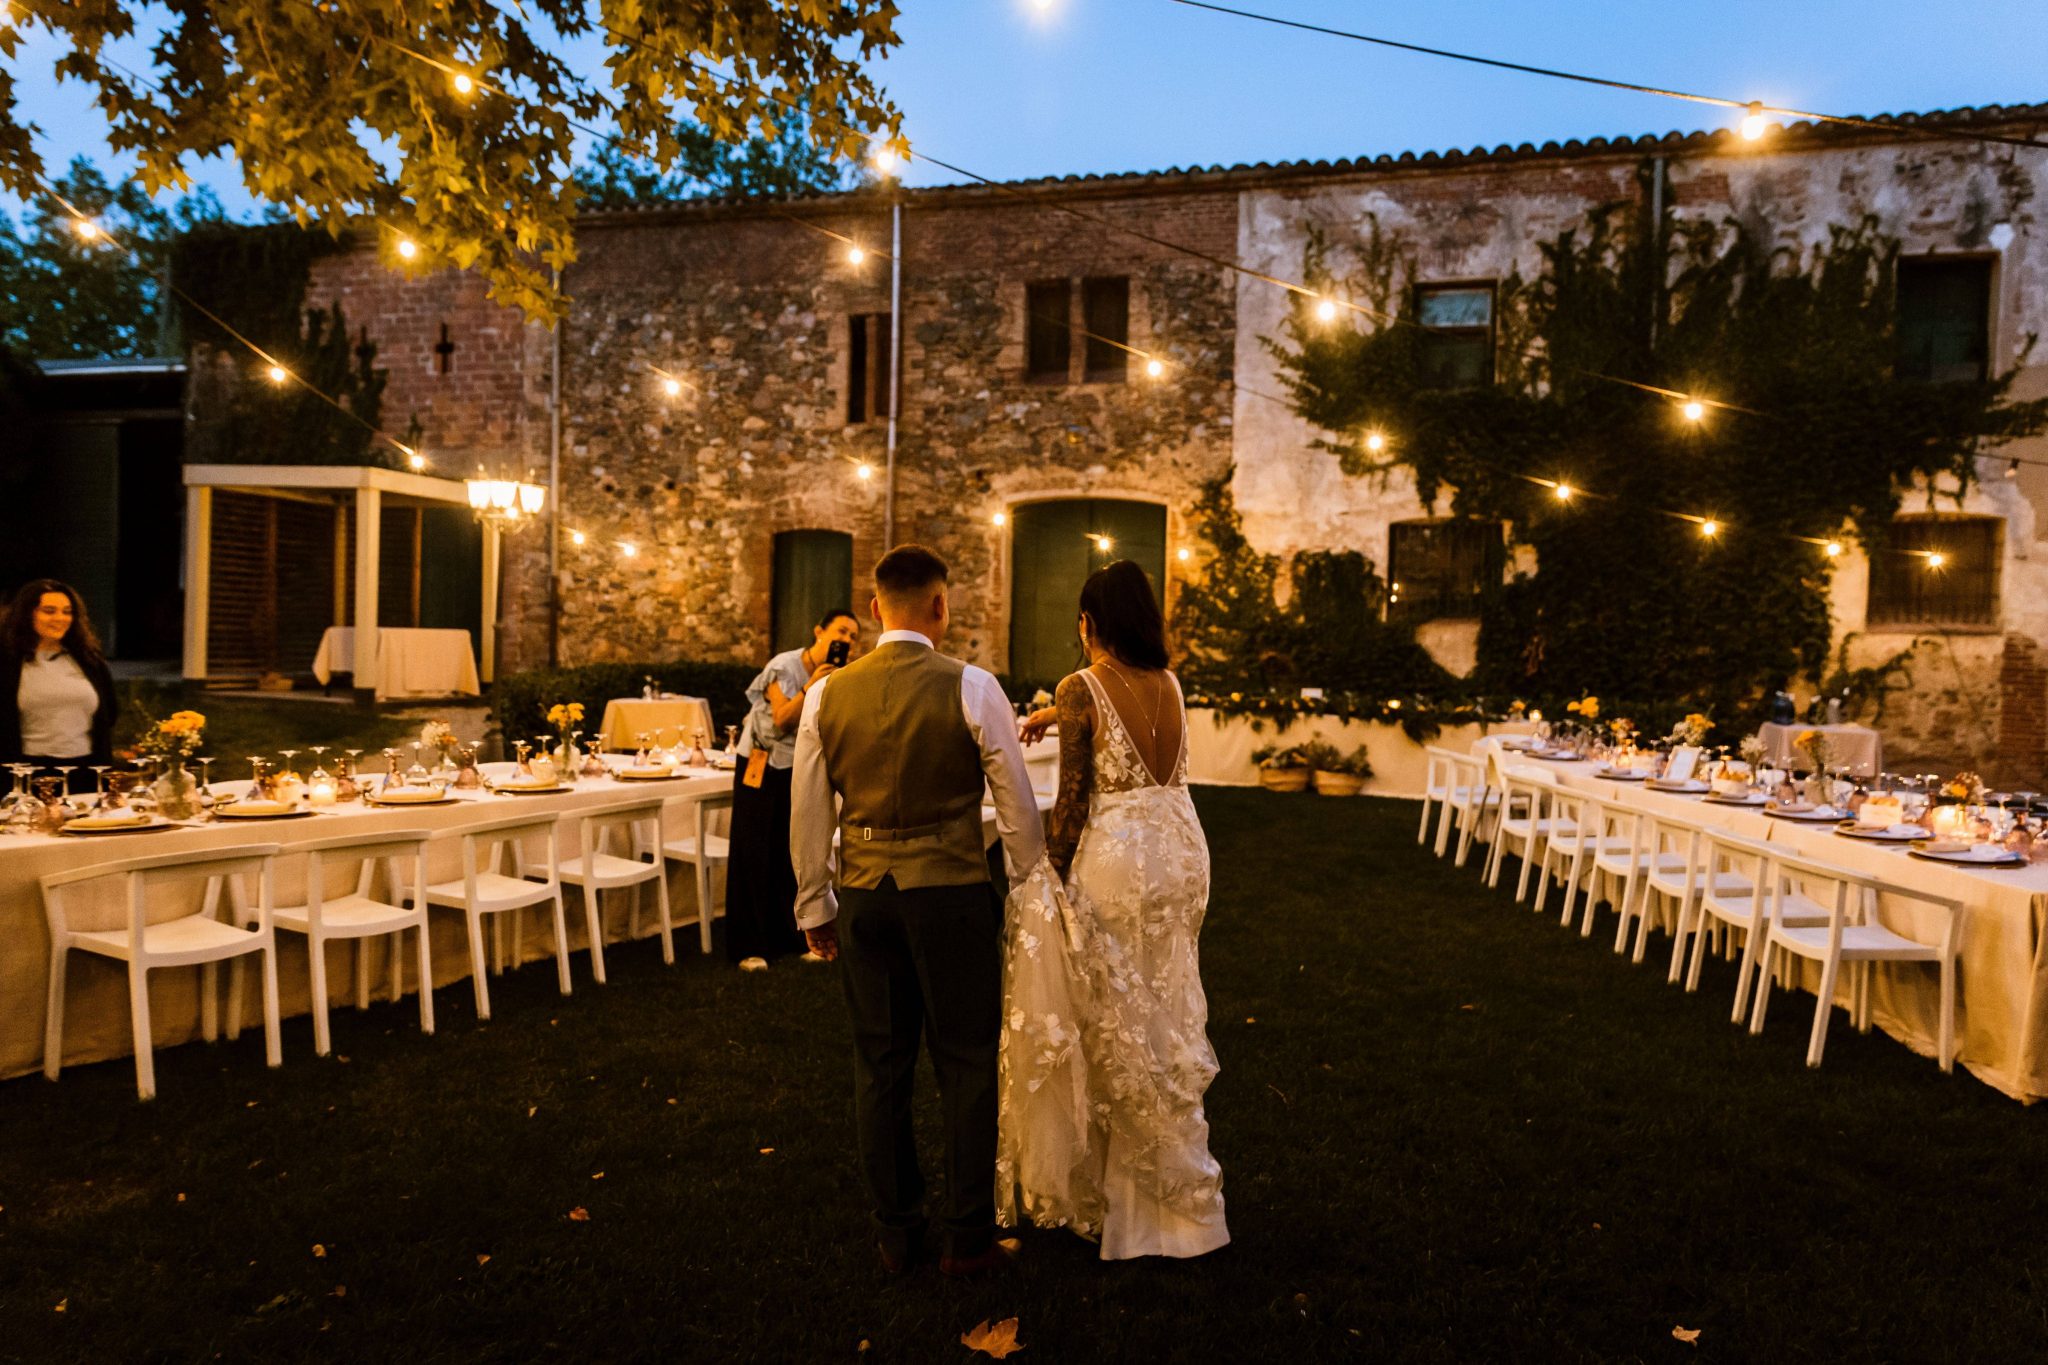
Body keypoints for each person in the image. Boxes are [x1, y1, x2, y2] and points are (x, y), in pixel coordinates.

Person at [791, 545, 1045, 1278]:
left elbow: (809, 811)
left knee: (880, 1065)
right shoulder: (973, 685)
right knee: (966, 1061)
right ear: (941, 606)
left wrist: (815, 900)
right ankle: (967, 1237)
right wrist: (1027, 884)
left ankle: (898, 1231)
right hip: (955, 896)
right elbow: (1016, 804)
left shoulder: (824, 695)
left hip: (867, 898)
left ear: (874, 608)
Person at [999, 559, 1229, 1260]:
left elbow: (1072, 801)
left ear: (1089, 621)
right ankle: (1179, 1206)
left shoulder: (1081, 685)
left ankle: (1123, 1205)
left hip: (1120, 859)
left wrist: (1050, 877)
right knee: (1165, 1014)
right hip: (1183, 851)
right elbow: (1123, 726)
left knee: (1112, 1016)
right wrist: (1054, 712)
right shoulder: (1170, 682)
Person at [725, 608, 863, 971]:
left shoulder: (840, 674)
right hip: (760, 763)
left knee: (790, 850)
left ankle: (791, 934)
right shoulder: (784, 667)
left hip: (797, 766)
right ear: (819, 631)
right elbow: (782, 719)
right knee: (754, 851)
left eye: (853, 636)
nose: (846, 640)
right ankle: (749, 944)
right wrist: (811, 685)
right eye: (841, 632)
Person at [0, 579, 119, 793]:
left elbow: (109, 713)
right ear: (27, 614)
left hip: (86, 772)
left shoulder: (88, 659)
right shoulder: (7, 662)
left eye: (67, 612)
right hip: (25, 774)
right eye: (49, 611)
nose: (60, 618)